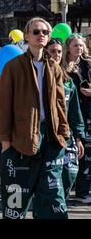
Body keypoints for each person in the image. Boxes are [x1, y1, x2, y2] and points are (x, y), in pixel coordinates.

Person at [0, 17, 70, 219]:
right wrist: (4, 140)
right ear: (27, 35)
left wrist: (63, 133)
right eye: (36, 32)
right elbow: (4, 106)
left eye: (45, 32)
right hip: (21, 140)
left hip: (50, 138)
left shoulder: (54, 67)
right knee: (16, 200)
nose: (41, 35)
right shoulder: (13, 67)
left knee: (53, 198)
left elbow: (60, 104)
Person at [46, 39, 85, 201]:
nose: (56, 55)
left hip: (66, 136)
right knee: (49, 177)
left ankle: (60, 201)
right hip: (45, 136)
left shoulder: (68, 81)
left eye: (59, 51)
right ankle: (50, 206)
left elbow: (75, 113)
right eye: (52, 51)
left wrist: (78, 137)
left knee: (70, 172)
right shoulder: (37, 77)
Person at [62, 34, 91, 203]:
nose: (79, 48)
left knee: (87, 154)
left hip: (87, 113)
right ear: (68, 48)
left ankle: (82, 190)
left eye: (81, 45)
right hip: (70, 115)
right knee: (71, 153)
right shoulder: (63, 66)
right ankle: (67, 188)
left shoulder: (88, 64)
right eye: (75, 45)